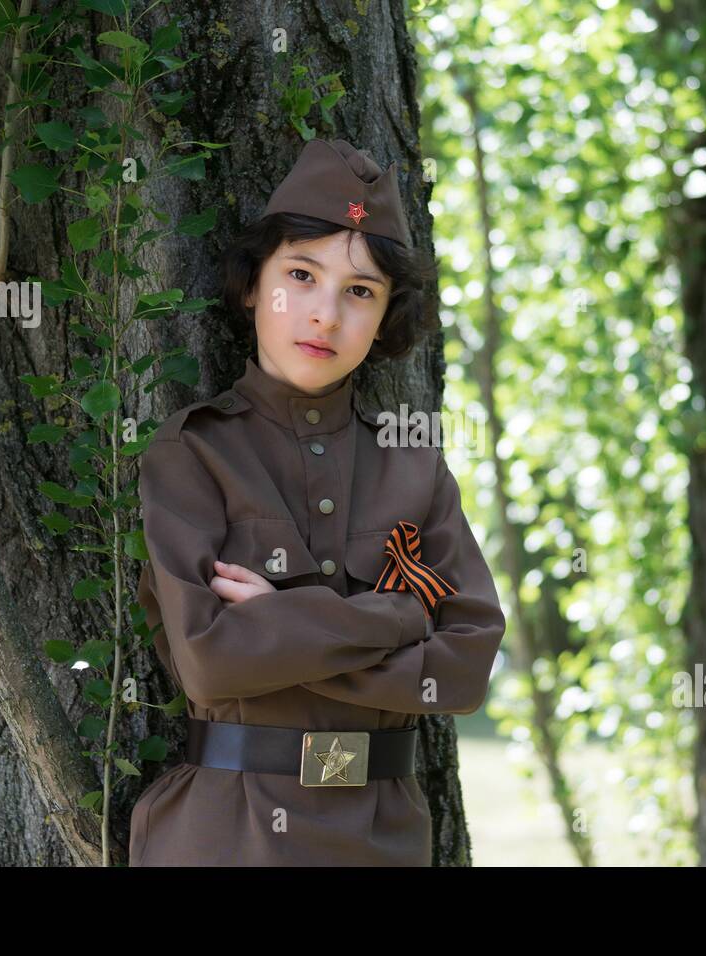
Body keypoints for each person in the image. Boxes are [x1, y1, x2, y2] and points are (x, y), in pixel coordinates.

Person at [128, 138, 508, 865]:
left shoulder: (414, 466)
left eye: (360, 291)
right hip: (227, 834)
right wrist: (397, 617)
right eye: (300, 275)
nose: (325, 314)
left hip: (384, 836)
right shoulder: (194, 454)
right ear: (251, 285)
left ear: (387, 314)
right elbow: (209, 661)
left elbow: (464, 668)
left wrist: (276, 625)